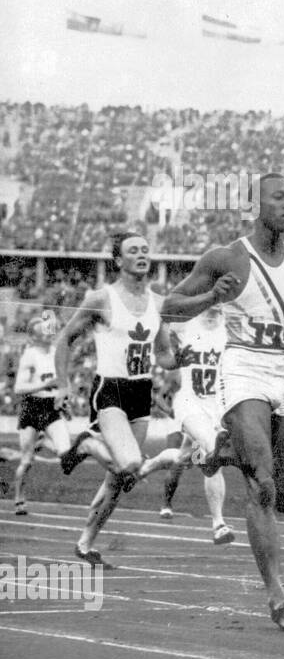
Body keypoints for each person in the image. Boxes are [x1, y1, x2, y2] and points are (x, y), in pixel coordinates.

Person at [162, 173, 284, 632]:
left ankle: (227, 449)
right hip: (243, 373)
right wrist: (211, 297)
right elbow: (169, 307)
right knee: (262, 482)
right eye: (279, 198)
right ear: (256, 205)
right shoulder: (226, 257)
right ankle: (278, 597)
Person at [53, 232, 178, 567]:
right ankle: (85, 445)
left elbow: (164, 355)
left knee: (118, 482)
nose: (141, 254)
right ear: (118, 261)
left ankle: (84, 545)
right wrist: (63, 386)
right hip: (110, 390)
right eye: (132, 250)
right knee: (130, 467)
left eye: (144, 249)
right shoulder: (101, 298)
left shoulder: (159, 302)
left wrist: (185, 357)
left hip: (141, 392)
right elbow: (65, 339)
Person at [156, 304, 236, 545]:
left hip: (217, 407)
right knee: (213, 451)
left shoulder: (231, 327)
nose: (215, 304)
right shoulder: (186, 324)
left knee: (182, 458)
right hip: (189, 403)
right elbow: (162, 325)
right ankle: (219, 524)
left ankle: (149, 465)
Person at [10, 311, 74, 515]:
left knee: (65, 452)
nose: (49, 335)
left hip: (51, 408)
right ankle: (19, 498)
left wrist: (66, 400)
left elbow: (65, 381)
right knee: (27, 461)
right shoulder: (30, 355)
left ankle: (43, 442)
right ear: (34, 336)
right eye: (44, 333)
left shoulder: (56, 352)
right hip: (32, 407)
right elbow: (19, 388)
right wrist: (46, 384)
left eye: (50, 332)